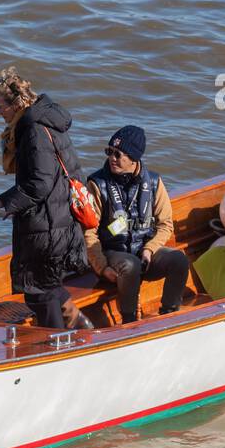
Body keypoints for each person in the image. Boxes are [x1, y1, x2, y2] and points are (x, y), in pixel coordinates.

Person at [0, 67, 91, 329]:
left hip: (48, 223)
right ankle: (79, 324)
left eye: (1, 106)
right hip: (58, 217)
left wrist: (5, 202)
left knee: (38, 291)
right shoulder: (44, 120)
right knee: (47, 283)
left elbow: (39, 184)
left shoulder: (32, 130)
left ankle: (54, 344)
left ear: (17, 102)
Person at [83, 126, 190, 323]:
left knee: (180, 260)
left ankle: (169, 313)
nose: (112, 158)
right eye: (109, 152)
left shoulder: (155, 182)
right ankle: (129, 321)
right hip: (113, 253)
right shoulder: (97, 184)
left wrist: (150, 249)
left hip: (144, 252)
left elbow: (165, 225)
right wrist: (102, 267)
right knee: (130, 265)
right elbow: (89, 233)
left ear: (134, 159)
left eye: (118, 154)